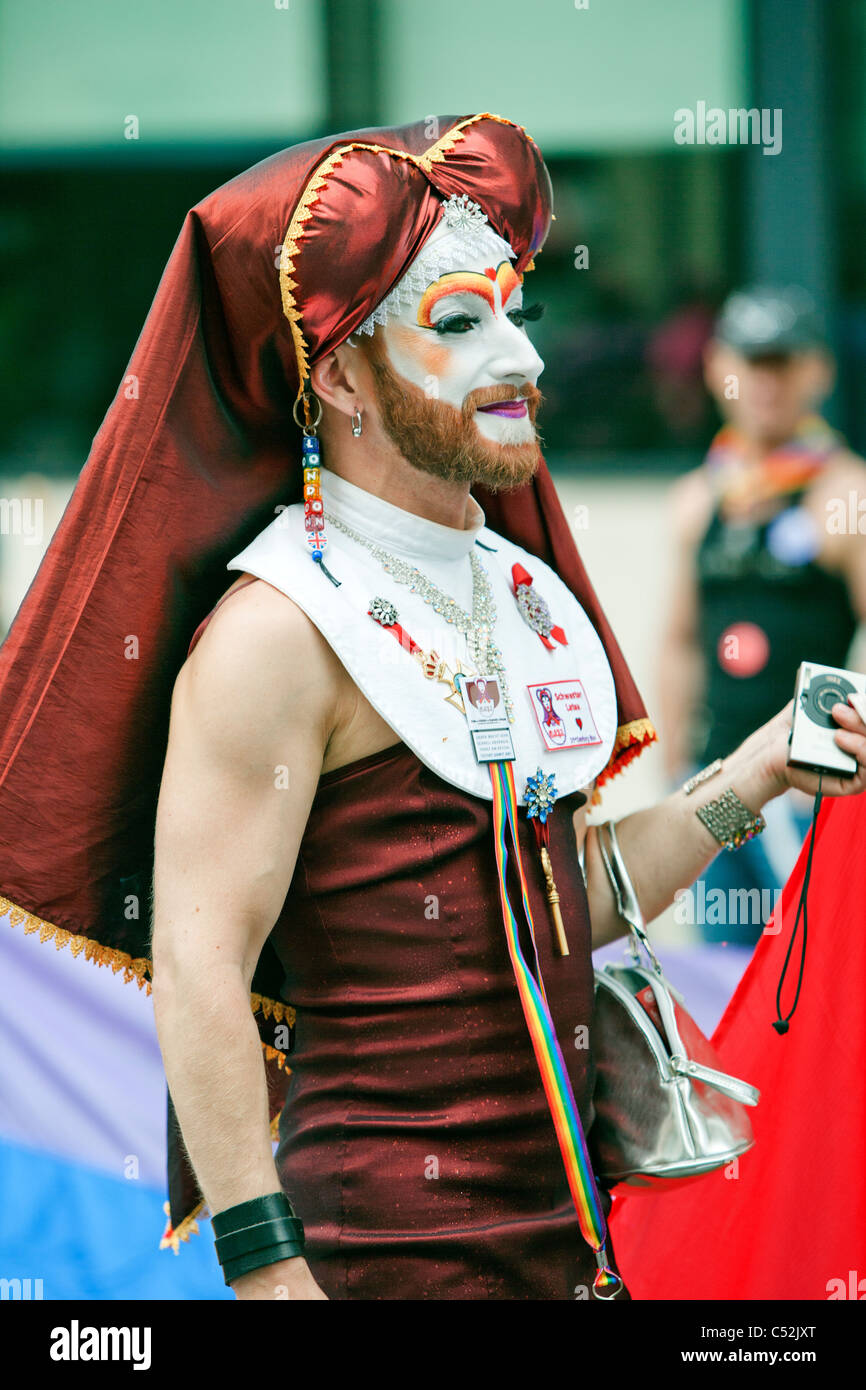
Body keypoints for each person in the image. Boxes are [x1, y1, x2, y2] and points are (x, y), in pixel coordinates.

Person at [1, 118, 865, 1303]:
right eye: (460, 321)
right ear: (342, 371)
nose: (524, 358)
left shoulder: (518, 589)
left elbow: (570, 906)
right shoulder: (275, 631)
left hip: (573, 1241)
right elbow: (202, 968)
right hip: (379, 1259)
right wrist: (264, 1272)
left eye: (519, 312)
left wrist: (757, 770)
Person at [659, 286, 866, 943]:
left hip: (807, 795)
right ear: (720, 367)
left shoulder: (845, 493)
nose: (764, 381)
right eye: (750, 361)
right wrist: (678, 771)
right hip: (717, 788)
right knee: (723, 972)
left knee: (805, 974)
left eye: (782, 362)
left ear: (818, 372)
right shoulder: (700, 497)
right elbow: (681, 641)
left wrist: (840, 768)